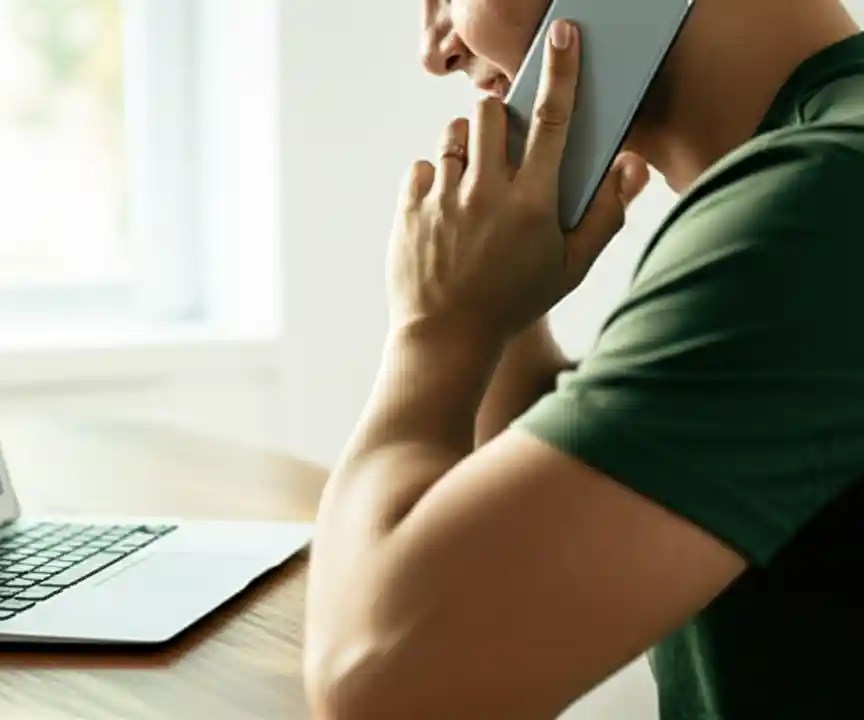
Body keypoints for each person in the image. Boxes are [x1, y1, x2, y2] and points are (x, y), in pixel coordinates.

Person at [303, 0, 864, 717]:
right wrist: (500, 305)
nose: (434, 49)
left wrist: (433, 329)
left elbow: (378, 683)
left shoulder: (821, 200)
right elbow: (531, 536)